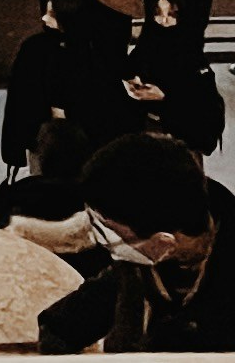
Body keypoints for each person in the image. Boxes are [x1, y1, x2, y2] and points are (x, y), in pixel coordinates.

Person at [34, 132, 235, 350]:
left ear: (163, 244)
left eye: (108, 230)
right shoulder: (140, 264)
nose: (104, 240)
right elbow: (61, 327)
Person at [2, 0, 144, 225]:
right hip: (53, 147)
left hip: (69, 147)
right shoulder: (43, 49)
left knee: (57, 207)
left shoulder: (83, 52)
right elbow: (21, 103)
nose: (44, 19)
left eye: (52, 14)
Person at [126, 0, 226, 156]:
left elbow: (203, 110)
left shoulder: (193, 59)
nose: (164, 20)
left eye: (171, 15)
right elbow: (129, 69)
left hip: (181, 138)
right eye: (158, 14)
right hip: (147, 132)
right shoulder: (145, 48)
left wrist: (165, 98)